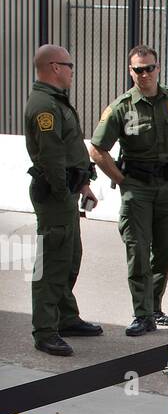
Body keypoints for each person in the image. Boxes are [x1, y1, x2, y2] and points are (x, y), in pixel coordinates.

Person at [89, 46, 168, 335]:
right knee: (137, 250)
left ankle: (154, 306)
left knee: (166, 248)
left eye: (149, 68)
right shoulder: (121, 107)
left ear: (158, 68)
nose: (144, 74)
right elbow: (98, 149)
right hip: (137, 187)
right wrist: (121, 179)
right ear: (131, 72)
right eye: (138, 69)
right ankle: (142, 314)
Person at [24, 44, 103, 355]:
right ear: (54, 67)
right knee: (52, 261)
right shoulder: (45, 105)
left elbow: (71, 149)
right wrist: (63, 193)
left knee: (69, 257)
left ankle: (66, 317)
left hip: (66, 193)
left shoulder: (57, 101)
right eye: (69, 65)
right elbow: (52, 158)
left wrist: (82, 184)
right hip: (55, 194)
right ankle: (44, 330)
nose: (72, 70)